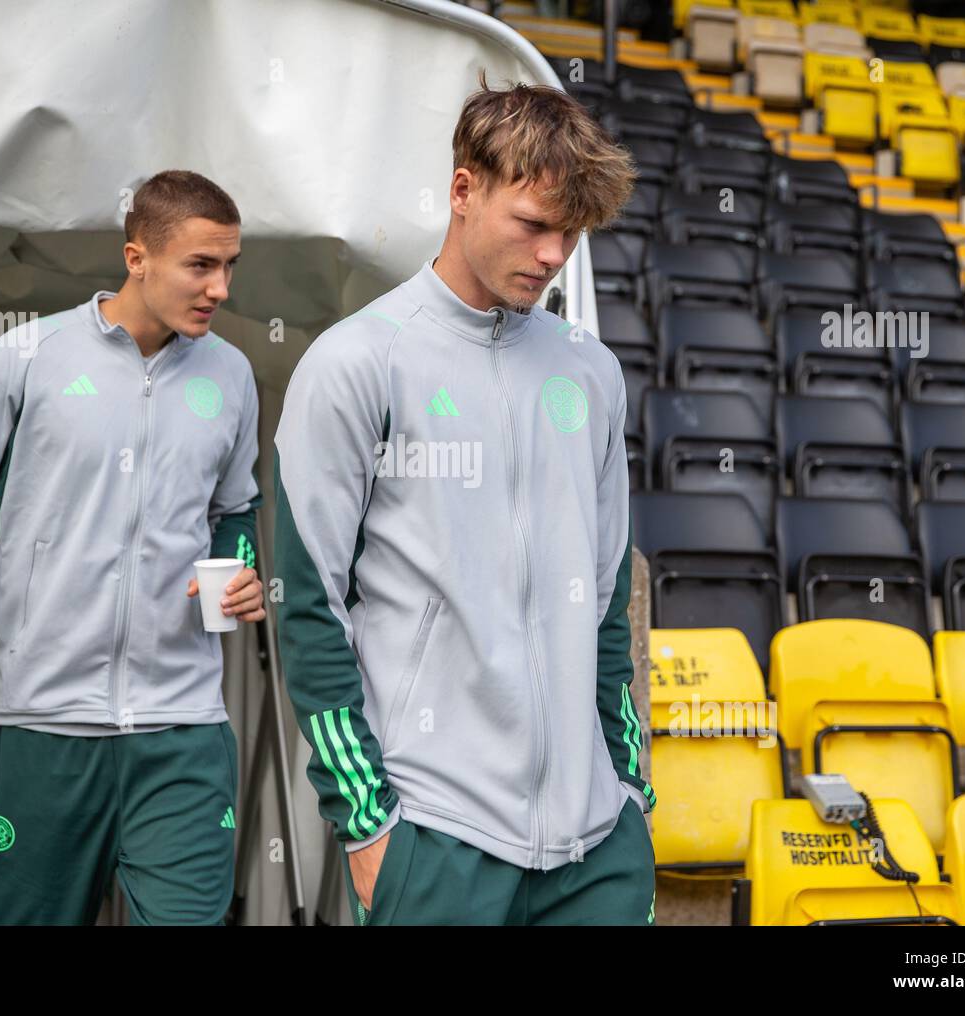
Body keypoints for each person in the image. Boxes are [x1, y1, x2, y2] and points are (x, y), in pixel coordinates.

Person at [273, 75, 657, 925]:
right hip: (438, 841)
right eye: (533, 224)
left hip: (599, 849)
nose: (555, 254)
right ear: (462, 190)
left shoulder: (591, 372)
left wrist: (631, 790)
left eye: (571, 232)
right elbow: (306, 607)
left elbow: (601, 611)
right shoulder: (355, 364)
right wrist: (369, 825)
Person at [0, 169, 264, 925]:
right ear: (137, 256)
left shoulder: (233, 376)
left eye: (230, 266)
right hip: (42, 731)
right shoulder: (31, 356)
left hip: (185, 735)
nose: (221, 289)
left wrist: (237, 574)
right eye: (201, 265)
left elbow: (237, 508)